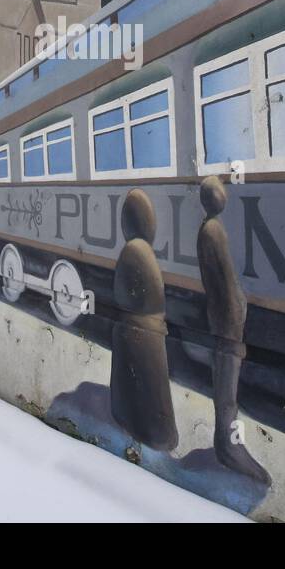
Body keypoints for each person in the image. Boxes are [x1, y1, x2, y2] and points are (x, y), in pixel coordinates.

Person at [197, 176, 269, 483]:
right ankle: (227, 444)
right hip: (227, 322)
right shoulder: (214, 231)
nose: (224, 196)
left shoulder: (209, 229)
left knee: (226, 387)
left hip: (222, 319)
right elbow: (226, 280)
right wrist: (239, 308)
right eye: (219, 192)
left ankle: (227, 441)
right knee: (227, 391)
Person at [109, 188, 178, 451]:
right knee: (150, 393)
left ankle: (135, 420)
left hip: (133, 331)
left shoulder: (131, 250)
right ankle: (155, 432)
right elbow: (151, 299)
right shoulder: (140, 252)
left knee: (131, 388)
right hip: (146, 335)